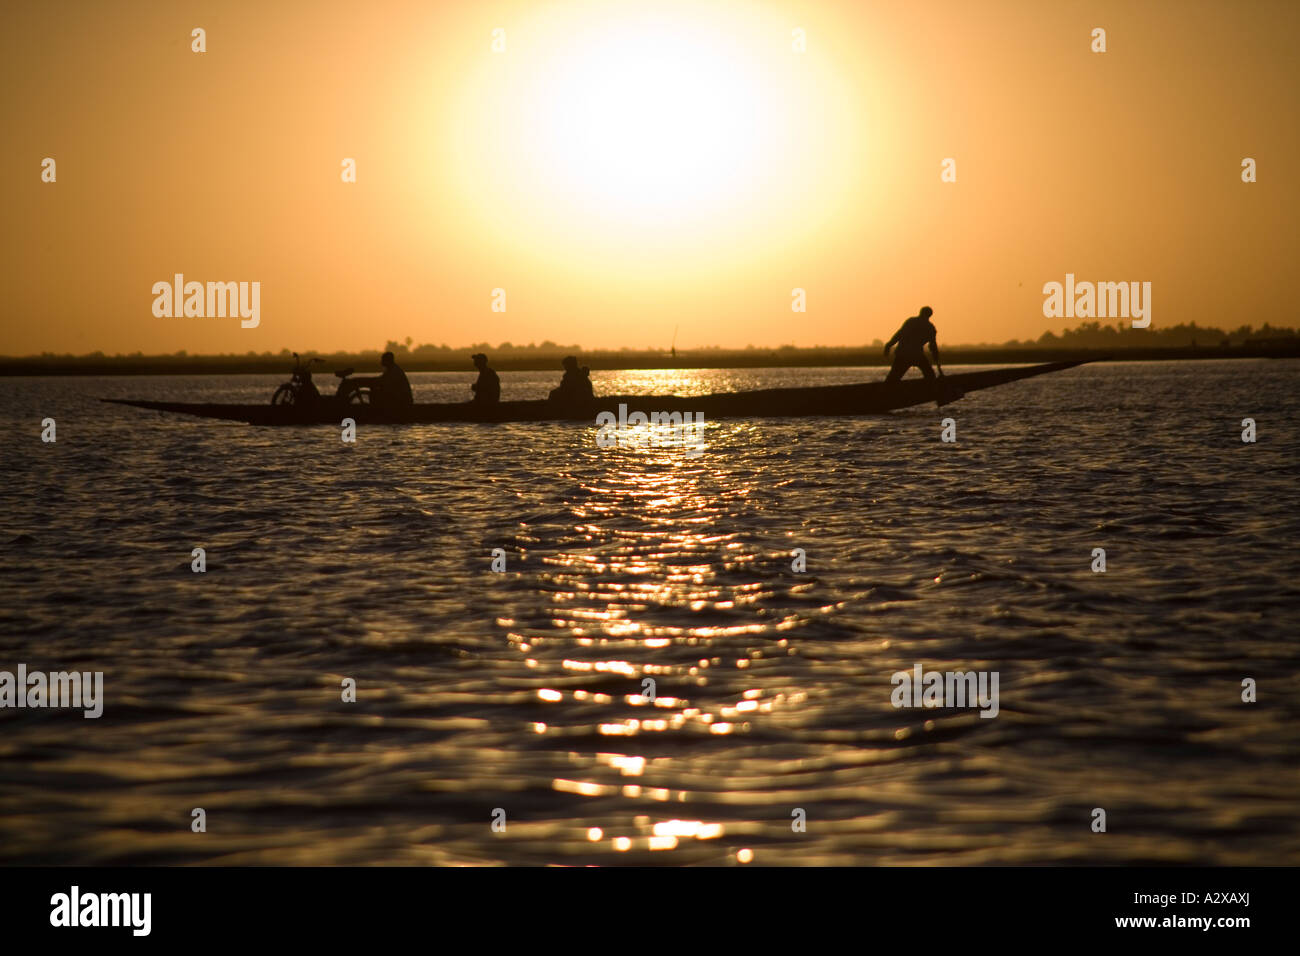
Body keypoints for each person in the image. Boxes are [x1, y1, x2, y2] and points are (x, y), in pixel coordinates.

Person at [883, 306, 942, 383]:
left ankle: (887, 388)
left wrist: (889, 345)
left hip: (907, 354)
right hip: (912, 354)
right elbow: (933, 346)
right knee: (930, 375)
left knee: (894, 377)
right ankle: (932, 388)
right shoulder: (930, 327)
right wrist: (936, 357)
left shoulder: (912, 322)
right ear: (930, 315)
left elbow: (899, 334)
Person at [348, 351, 413, 410]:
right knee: (375, 390)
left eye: (383, 359)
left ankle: (375, 410)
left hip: (402, 401)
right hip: (398, 398)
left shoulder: (394, 371)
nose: (381, 361)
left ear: (388, 360)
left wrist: (366, 382)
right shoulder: (391, 369)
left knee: (375, 392)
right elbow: (381, 380)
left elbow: (383, 382)